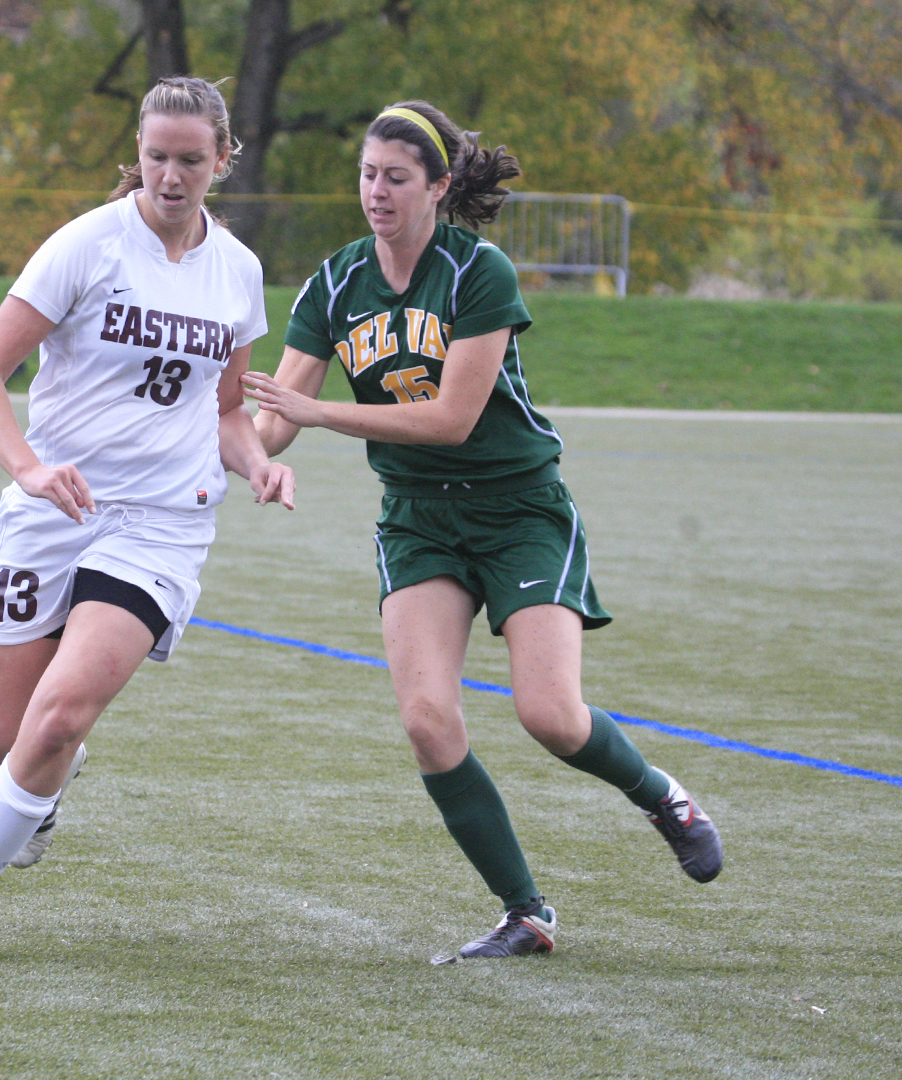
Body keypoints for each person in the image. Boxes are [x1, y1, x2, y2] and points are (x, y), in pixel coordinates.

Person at [243, 100, 723, 961]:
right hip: (418, 520)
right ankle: (525, 913)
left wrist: (318, 413)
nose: (377, 192)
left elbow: (451, 419)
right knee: (428, 721)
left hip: (518, 509)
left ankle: (662, 796)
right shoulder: (336, 282)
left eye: (396, 178)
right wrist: (229, 449)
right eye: (367, 174)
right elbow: (275, 420)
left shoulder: (478, 273)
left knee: (551, 716)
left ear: (437, 187)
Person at [0, 76, 296, 960]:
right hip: (54, 510)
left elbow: (225, 410)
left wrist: (259, 463)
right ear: (139, 154)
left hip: (163, 522)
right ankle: (47, 781)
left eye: (190, 160)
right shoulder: (86, 244)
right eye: (157, 156)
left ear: (223, 160)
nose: (171, 176)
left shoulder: (238, 271)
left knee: (58, 716)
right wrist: (29, 469)